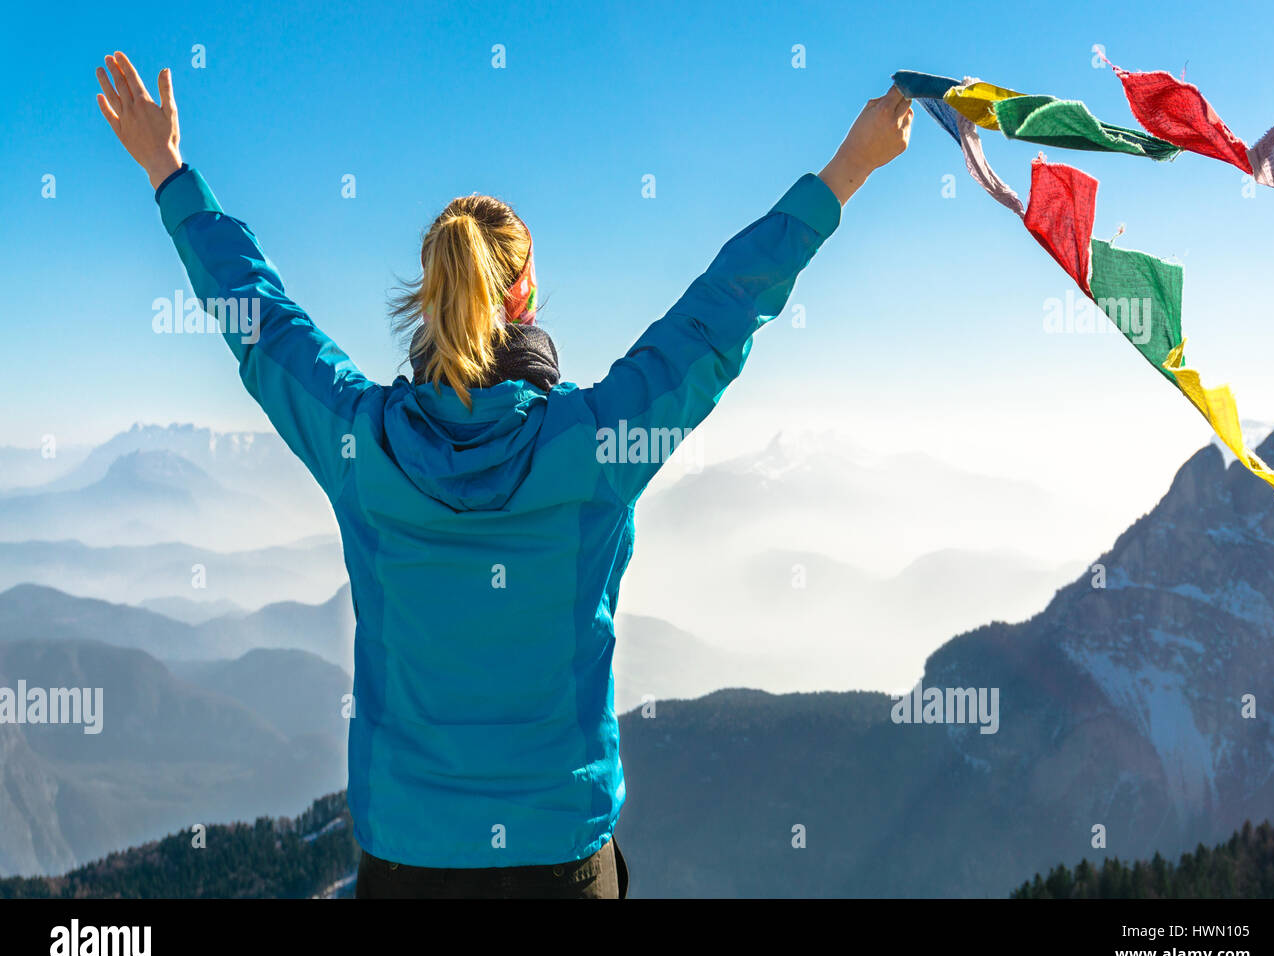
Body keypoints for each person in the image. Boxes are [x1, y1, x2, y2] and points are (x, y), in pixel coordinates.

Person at [95, 50, 912, 899]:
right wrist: (846, 169)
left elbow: (258, 319)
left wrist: (168, 171)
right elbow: (718, 314)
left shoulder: (361, 445)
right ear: (522, 299)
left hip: (409, 859)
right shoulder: (598, 444)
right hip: (562, 858)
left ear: (433, 291)